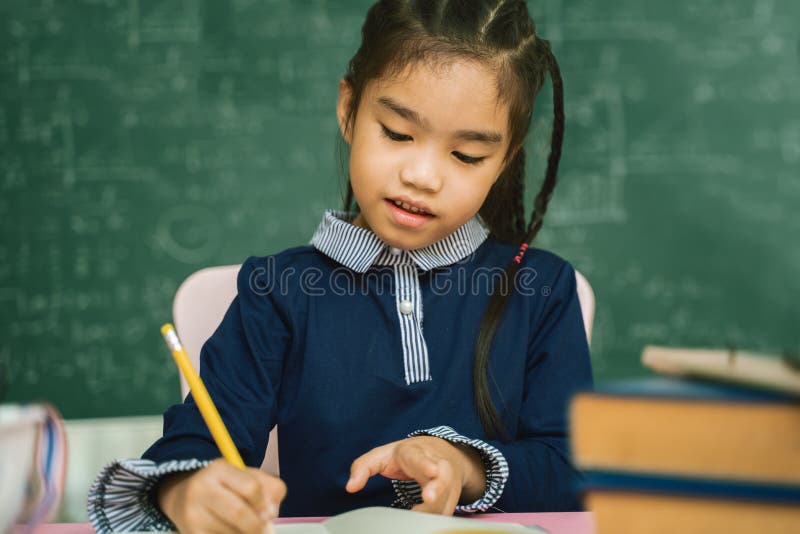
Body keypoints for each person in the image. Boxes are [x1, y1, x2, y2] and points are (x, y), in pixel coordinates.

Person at [88, 1, 593, 532]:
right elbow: (195, 444)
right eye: (398, 133)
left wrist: (463, 466)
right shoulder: (278, 291)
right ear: (349, 109)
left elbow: (572, 474)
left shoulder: (541, 289)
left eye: (466, 156)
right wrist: (187, 489)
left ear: (505, 160)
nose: (422, 176)